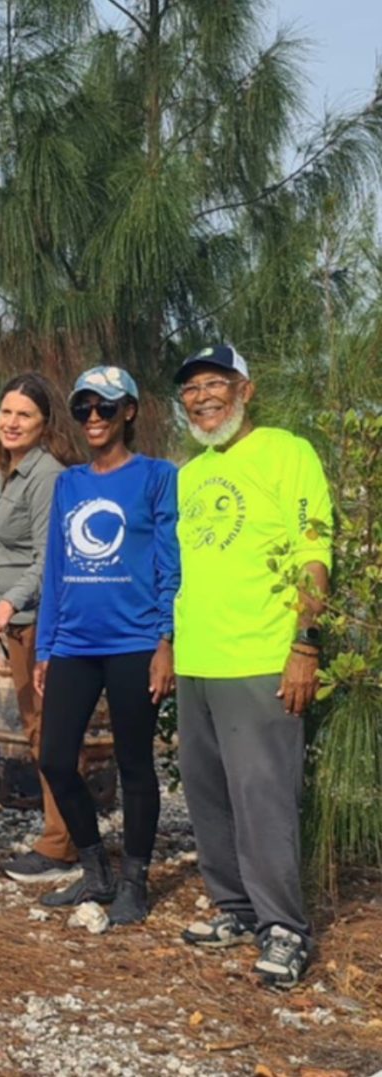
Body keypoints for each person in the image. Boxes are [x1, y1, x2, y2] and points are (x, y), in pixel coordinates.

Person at [170, 344, 332, 990]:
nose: (203, 397)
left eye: (216, 383)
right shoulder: (190, 473)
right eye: (191, 388)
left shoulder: (289, 452)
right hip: (198, 657)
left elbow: (313, 551)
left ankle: (284, 926)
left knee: (264, 797)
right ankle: (234, 908)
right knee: (208, 794)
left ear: (246, 389)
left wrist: (305, 643)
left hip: (262, 657)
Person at [28, 367, 177, 925]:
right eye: (84, 409)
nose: (93, 418)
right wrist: (46, 646)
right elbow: (57, 568)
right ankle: (95, 871)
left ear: (129, 413)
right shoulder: (70, 483)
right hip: (74, 644)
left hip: (136, 641)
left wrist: (166, 640)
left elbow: (169, 562)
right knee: (55, 759)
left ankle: (135, 882)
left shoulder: (157, 476)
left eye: (105, 408)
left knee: (136, 763)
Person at [0, 374, 83, 885]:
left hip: (39, 621)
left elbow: (48, 561)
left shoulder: (47, 477)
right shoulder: (7, 473)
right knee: (38, 731)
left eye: (25, 416)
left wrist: (9, 604)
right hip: (14, 622)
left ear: (44, 425)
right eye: (6, 412)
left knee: (48, 732)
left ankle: (62, 844)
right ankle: (66, 833)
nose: (12, 423)